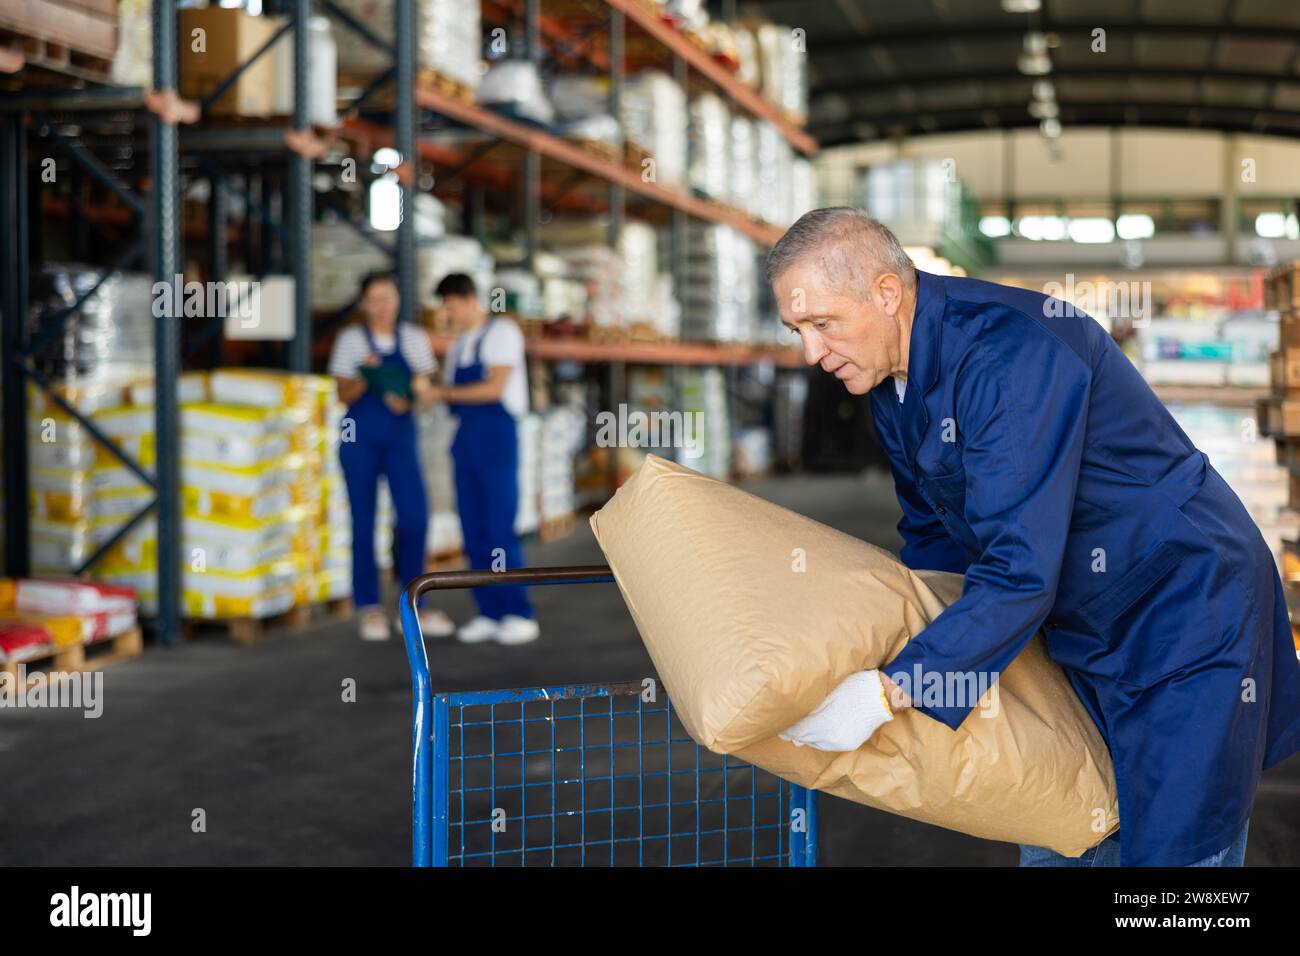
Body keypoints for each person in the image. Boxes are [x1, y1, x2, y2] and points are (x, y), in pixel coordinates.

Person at [766, 207, 1300, 867]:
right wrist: (898, 647)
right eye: (797, 330)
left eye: (822, 325)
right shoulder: (893, 386)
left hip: (1180, 613)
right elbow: (934, 542)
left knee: (1170, 859)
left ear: (886, 293)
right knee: (1066, 830)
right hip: (1079, 623)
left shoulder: (1007, 354)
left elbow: (1019, 569)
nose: (810, 355)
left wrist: (894, 688)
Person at [327, 271, 455, 642]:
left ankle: (414, 606)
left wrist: (411, 396)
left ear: (398, 301)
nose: (382, 306)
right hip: (359, 439)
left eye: (388, 298)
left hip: (400, 437)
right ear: (365, 304)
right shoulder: (351, 341)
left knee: (414, 518)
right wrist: (368, 375)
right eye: (375, 299)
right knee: (364, 522)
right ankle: (369, 606)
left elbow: (427, 381)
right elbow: (343, 394)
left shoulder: (414, 339)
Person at [426, 273, 538, 645]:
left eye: (451, 305)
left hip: (496, 438)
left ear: (470, 299)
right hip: (467, 440)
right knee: (473, 530)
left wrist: (441, 392)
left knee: (498, 528)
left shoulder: (503, 333)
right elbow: (455, 396)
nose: (447, 312)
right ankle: (489, 611)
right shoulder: (459, 346)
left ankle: (519, 612)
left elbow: (493, 387)